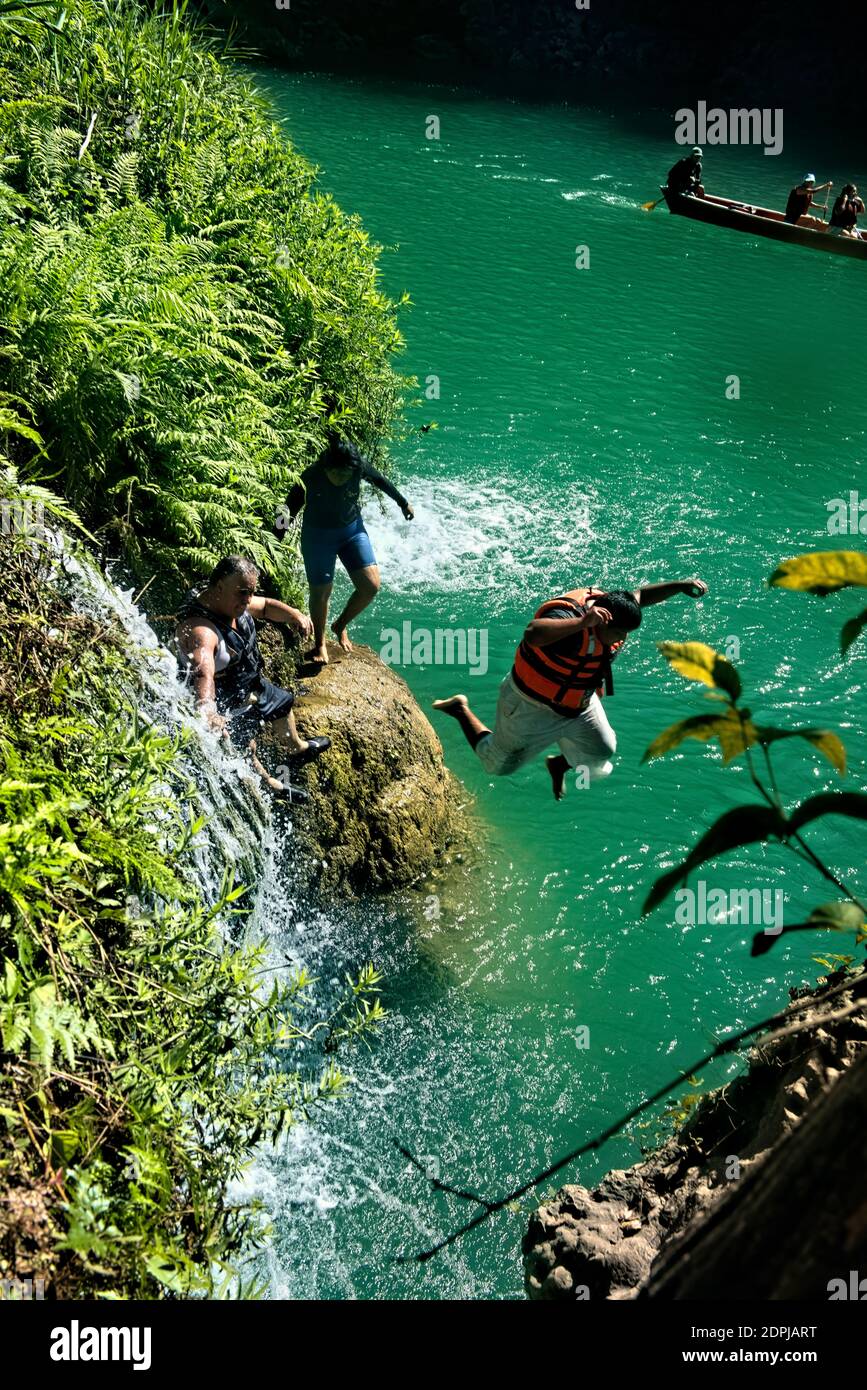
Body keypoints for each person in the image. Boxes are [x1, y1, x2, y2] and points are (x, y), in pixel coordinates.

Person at [433, 579, 709, 802]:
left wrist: (681, 585)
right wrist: (581, 624)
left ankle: (557, 764)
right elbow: (532, 633)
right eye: (620, 633)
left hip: (578, 704)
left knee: (602, 750)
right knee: (497, 766)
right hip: (531, 705)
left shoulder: (615, 607)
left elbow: (638, 596)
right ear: (601, 621)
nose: (623, 640)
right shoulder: (571, 623)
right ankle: (460, 709)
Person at [176, 555, 330, 796]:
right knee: (247, 746)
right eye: (243, 592)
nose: (248, 600)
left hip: (251, 683)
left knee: (283, 702)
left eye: (251, 592)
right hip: (228, 700)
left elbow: (266, 606)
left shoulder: (230, 600)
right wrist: (207, 709)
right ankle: (272, 786)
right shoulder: (202, 631)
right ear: (219, 587)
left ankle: (298, 748)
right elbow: (203, 672)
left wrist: (294, 615)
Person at [277, 432, 414, 664]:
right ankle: (319, 644)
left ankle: (340, 624)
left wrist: (403, 503)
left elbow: (380, 480)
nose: (341, 477)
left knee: (370, 586)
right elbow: (288, 509)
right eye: (336, 472)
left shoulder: (358, 467)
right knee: (321, 592)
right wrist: (273, 542)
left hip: (351, 531)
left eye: (345, 473)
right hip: (318, 537)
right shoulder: (311, 476)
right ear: (326, 466)